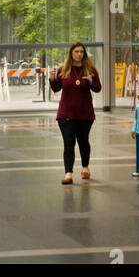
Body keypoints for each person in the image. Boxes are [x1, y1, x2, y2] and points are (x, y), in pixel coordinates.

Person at [49, 42, 102, 184]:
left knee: (83, 142)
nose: (79, 54)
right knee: (68, 143)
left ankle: (85, 167)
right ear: (71, 53)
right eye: (76, 51)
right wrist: (52, 79)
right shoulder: (63, 69)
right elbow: (56, 88)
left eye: (81, 52)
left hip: (85, 114)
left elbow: (98, 88)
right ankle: (68, 173)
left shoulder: (90, 70)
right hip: (66, 114)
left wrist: (91, 81)